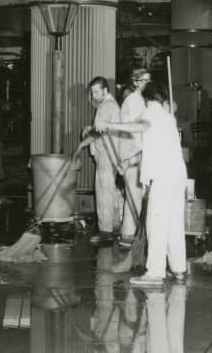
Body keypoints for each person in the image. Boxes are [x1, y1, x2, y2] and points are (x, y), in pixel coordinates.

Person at [97, 82, 187, 286]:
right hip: (177, 177)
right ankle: (179, 269)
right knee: (173, 225)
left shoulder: (153, 112)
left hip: (163, 179)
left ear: (147, 100)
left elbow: (140, 126)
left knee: (156, 225)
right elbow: (151, 149)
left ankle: (154, 273)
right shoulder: (167, 119)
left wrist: (111, 126)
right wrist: (129, 161)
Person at [83, 76, 123, 244]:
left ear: (105, 91)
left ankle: (105, 231)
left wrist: (87, 134)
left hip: (106, 154)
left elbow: (100, 131)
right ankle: (113, 226)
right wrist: (90, 128)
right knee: (110, 190)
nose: (93, 95)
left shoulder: (106, 106)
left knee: (104, 192)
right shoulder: (110, 105)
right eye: (92, 92)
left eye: (96, 92)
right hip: (109, 154)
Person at [116, 68, 152, 247]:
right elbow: (140, 127)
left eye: (148, 80)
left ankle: (130, 233)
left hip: (133, 151)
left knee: (136, 193)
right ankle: (129, 235)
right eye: (144, 80)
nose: (147, 84)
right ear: (135, 82)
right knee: (135, 193)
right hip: (133, 151)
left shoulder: (136, 100)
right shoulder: (134, 101)